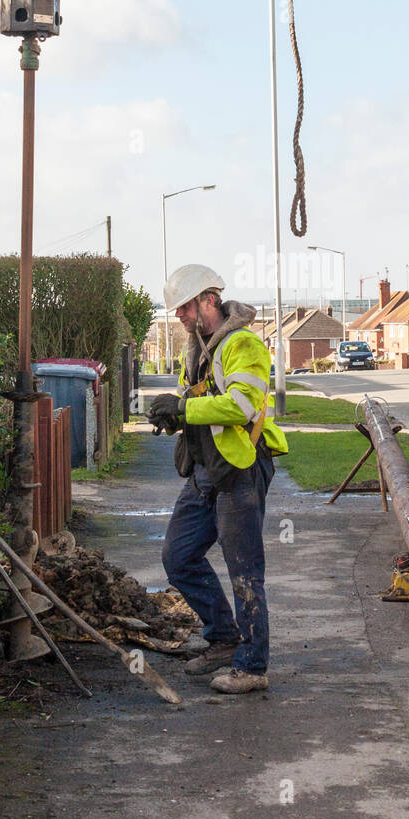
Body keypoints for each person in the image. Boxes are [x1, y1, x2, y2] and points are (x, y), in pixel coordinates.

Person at [148, 265, 288, 694]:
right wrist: (171, 415)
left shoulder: (243, 344)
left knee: (245, 570)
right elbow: (197, 401)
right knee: (179, 556)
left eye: (185, 308)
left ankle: (252, 666)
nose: (181, 317)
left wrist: (184, 410)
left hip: (240, 470)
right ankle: (224, 639)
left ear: (209, 299)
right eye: (177, 311)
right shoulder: (196, 349)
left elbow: (242, 406)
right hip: (206, 470)